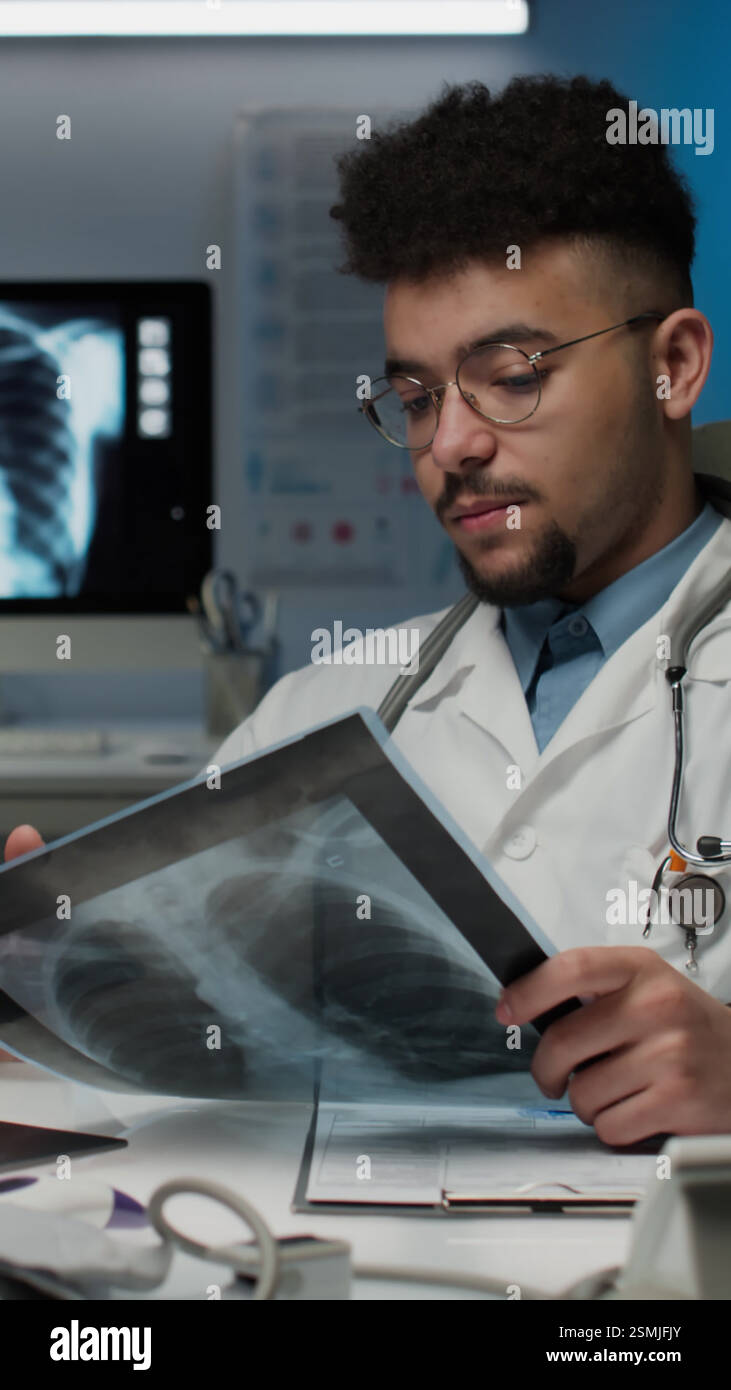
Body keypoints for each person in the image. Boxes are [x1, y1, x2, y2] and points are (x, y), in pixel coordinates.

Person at [5, 75, 731, 1140]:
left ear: (670, 365)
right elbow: (183, 1069)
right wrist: (61, 969)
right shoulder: (322, 711)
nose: (449, 446)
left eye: (512, 375)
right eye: (418, 394)